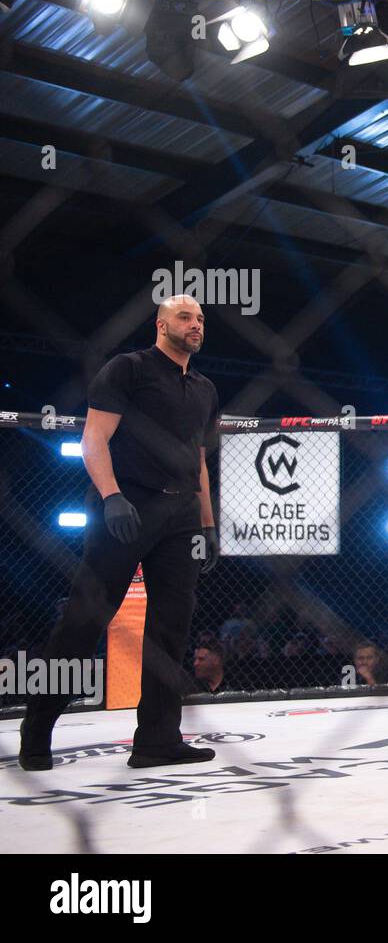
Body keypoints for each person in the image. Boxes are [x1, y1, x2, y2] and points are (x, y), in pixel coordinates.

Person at [20, 295, 220, 772]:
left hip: (181, 514)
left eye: (201, 319)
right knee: (86, 619)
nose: (195, 325)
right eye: (185, 317)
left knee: (171, 626)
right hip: (129, 503)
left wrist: (208, 524)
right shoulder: (128, 369)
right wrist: (111, 496)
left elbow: (199, 460)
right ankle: (37, 726)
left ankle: (157, 739)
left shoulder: (206, 388)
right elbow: (94, 439)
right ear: (161, 324)